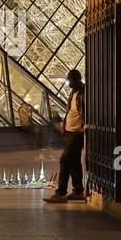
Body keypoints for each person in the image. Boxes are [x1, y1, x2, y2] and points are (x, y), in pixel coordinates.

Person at [44, 69, 85, 203]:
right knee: (74, 162)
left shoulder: (84, 93)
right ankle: (78, 191)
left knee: (64, 160)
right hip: (69, 132)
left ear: (77, 79)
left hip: (76, 133)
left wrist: (83, 127)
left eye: (70, 80)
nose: (68, 83)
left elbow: (86, 112)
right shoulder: (73, 93)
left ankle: (61, 192)